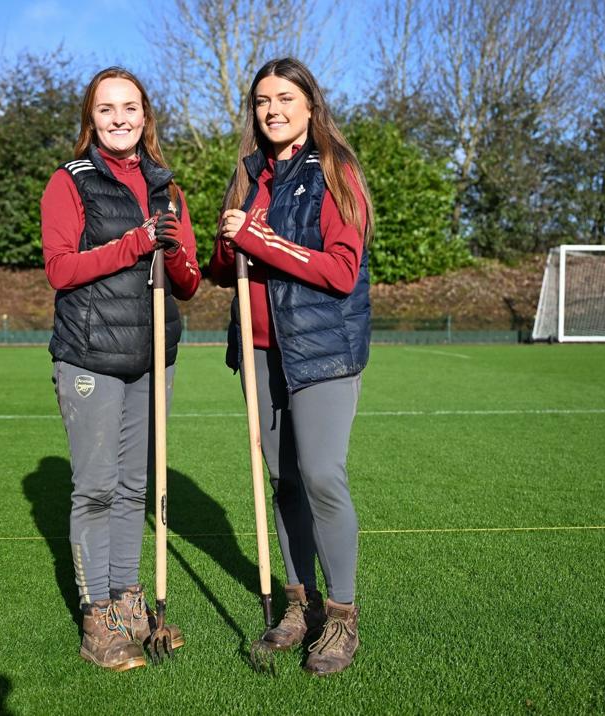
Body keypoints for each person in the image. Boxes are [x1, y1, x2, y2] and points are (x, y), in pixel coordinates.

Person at [209, 58, 373, 676]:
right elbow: (230, 269)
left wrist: (257, 239)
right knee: (282, 482)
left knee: (322, 475)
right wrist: (229, 243)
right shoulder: (250, 174)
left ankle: (340, 617)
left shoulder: (335, 170)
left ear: (310, 105)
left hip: (322, 350)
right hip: (258, 352)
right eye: (260, 101)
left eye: (283, 98)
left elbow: (338, 269)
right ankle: (298, 605)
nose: (270, 109)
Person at [41, 67, 201, 671]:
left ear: (145, 115)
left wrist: (178, 251)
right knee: (98, 487)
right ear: (91, 119)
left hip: (153, 357)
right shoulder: (70, 182)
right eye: (106, 109)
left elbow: (184, 284)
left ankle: (128, 600)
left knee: (136, 486)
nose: (119, 118)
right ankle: (96, 618)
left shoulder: (166, 186)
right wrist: (137, 241)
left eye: (129, 108)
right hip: (91, 357)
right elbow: (61, 269)